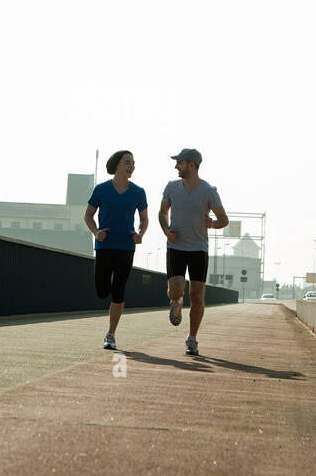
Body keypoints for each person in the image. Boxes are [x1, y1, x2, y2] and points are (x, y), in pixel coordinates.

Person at [159, 148, 228, 356]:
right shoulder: (171, 187)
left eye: (179, 162)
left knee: (197, 296)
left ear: (192, 165)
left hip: (199, 249)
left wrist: (213, 224)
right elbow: (162, 212)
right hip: (176, 246)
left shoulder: (208, 190)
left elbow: (224, 219)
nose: (176, 166)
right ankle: (176, 301)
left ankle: (192, 339)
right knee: (176, 289)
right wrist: (166, 230)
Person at [84, 151, 148, 351]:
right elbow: (88, 216)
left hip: (126, 246)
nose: (132, 166)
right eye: (127, 162)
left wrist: (140, 234)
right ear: (117, 165)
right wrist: (96, 232)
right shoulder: (101, 189)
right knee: (102, 290)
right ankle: (110, 283)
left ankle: (111, 334)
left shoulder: (138, 192)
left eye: (133, 163)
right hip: (105, 244)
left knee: (119, 289)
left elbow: (145, 219)